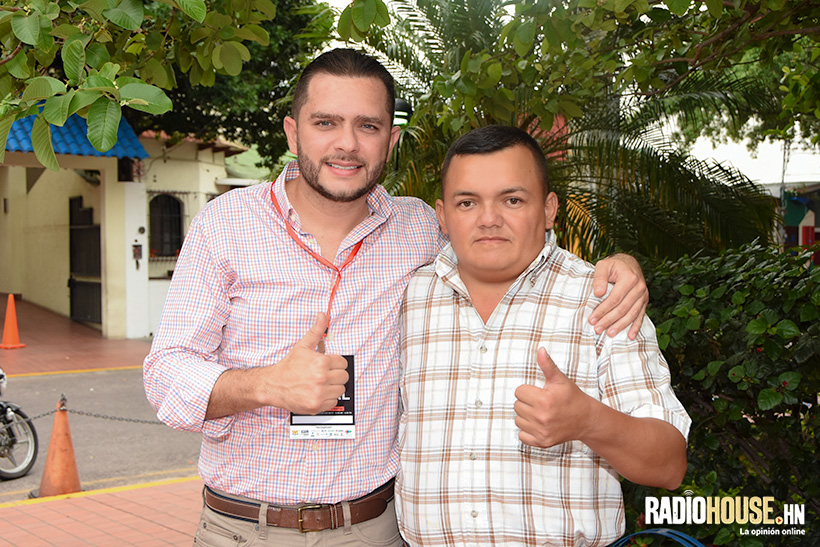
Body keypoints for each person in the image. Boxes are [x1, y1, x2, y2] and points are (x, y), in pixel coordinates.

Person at [143, 49, 649, 546]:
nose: (347, 144)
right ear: (292, 131)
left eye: (367, 126)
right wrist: (267, 386)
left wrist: (619, 267)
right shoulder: (226, 225)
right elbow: (166, 374)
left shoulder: (420, 229)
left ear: (391, 140)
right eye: (325, 123)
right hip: (243, 530)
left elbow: (510, 240)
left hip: (376, 528)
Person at [396, 125, 691, 547]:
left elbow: (669, 464)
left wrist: (589, 420)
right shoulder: (409, 296)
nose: (489, 219)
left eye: (512, 200)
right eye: (467, 202)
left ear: (550, 209)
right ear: (442, 216)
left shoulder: (603, 300)